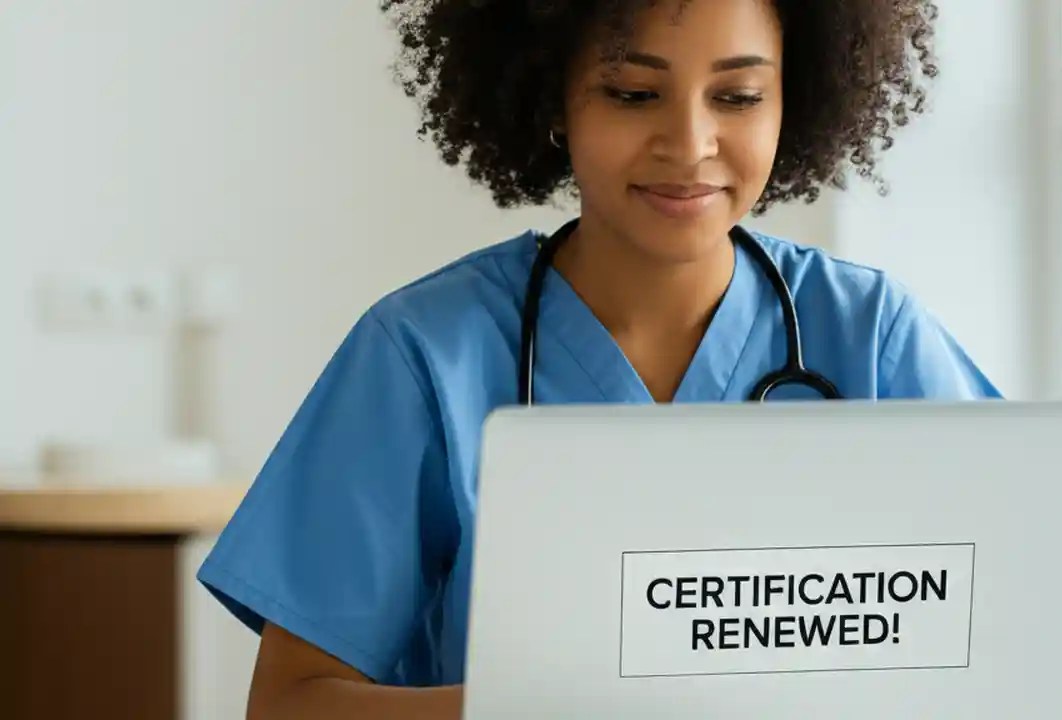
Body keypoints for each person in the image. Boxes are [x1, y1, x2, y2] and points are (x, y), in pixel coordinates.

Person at [197, 1, 1006, 718]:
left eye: (738, 96)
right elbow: (291, 704)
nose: (690, 144)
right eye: (632, 93)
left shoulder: (872, 337)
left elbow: (1019, 640)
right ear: (556, 97)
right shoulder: (422, 355)